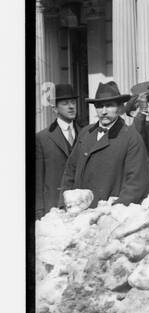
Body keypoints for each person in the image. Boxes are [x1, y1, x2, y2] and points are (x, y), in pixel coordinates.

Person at [59, 81, 149, 208]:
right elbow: (70, 172)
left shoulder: (131, 137)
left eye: (109, 106)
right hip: (79, 212)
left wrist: (114, 209)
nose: (104, 111)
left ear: (119, 107)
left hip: (110, 214)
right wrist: (64, 205)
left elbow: (136, 182)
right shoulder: (86, 133)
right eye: (100, 106)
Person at [34, 82, 82, 218]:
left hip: (81, 208)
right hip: (53, 208)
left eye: (73, 102)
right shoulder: (42, 138)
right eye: (65, 103)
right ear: (55, 109)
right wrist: (39, 211)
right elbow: (38, 180)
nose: (71, 106)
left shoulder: (85, 133)